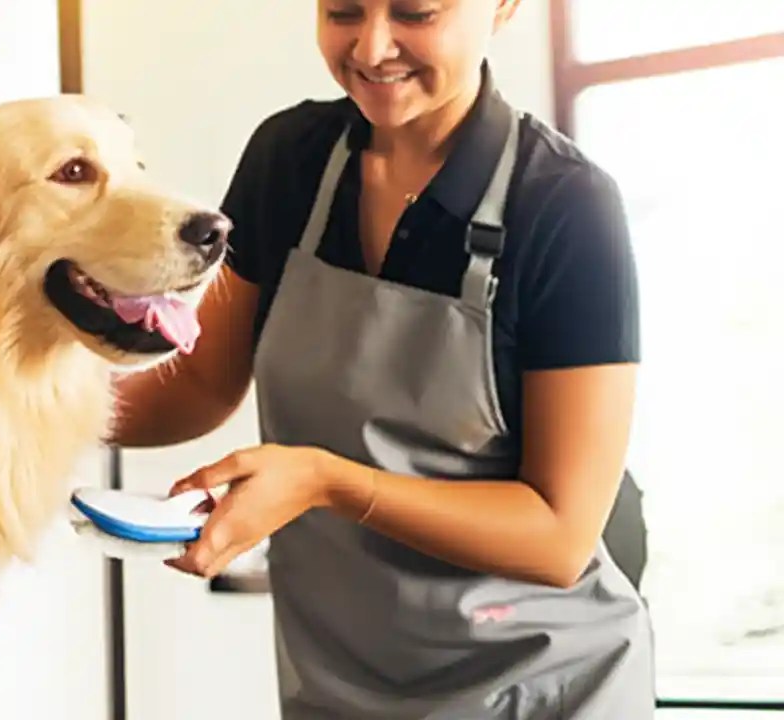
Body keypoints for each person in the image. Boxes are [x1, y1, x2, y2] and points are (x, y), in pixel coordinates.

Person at [108, 0, 656, 717]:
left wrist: (327, 482)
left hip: (538, 685)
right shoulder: (290, 160)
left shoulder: (565, 206)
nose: (371, 47)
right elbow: (203, 382)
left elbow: (558, 531)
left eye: (415, 12)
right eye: (342, 10)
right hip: (340, 679)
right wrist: (14, 403)